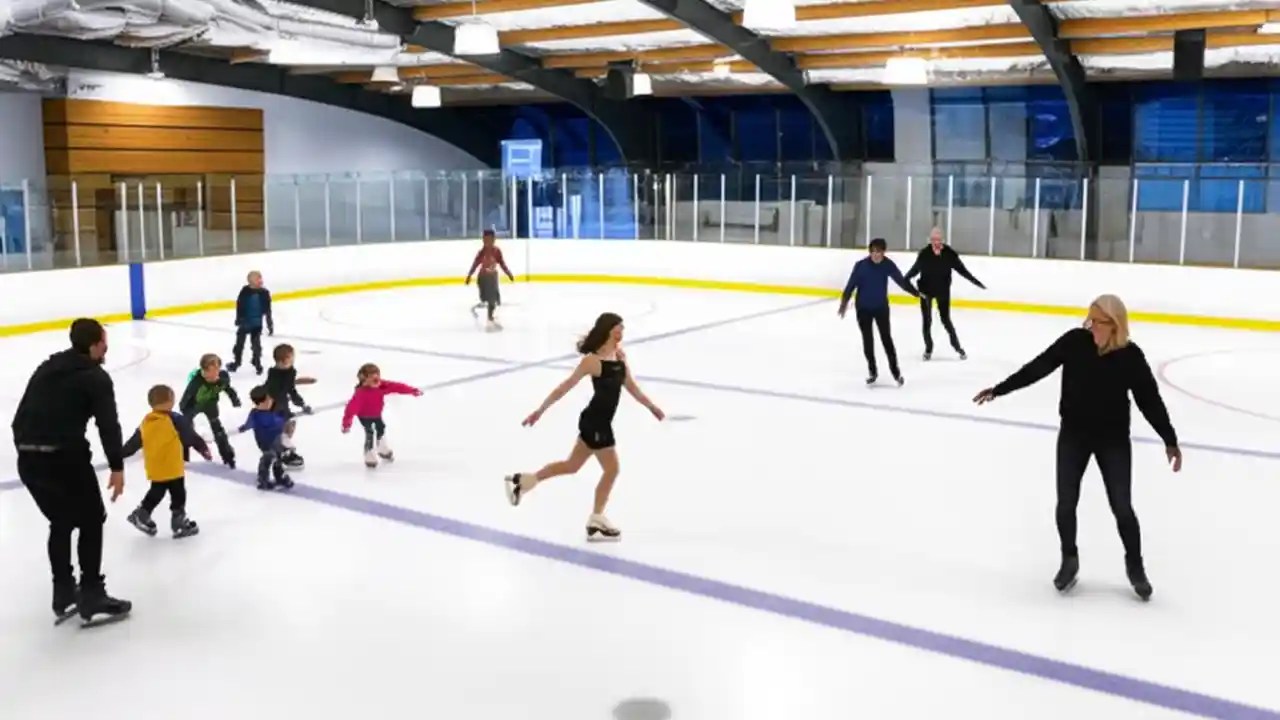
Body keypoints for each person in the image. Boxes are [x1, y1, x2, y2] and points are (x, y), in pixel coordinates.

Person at [972, 294, 1182, 601]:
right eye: (1089, 320)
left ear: (1114, 325)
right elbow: (1039, 366)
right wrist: (1000, 389)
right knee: (1066, 502)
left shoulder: (1130, 356)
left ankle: (1135, 567)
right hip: (1074, 435)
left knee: (1122, 506)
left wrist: (1169, 438)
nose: (1090, 326)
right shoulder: (1075, 342)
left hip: (1113, 440)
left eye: (1096, 322)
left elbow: (1149, 399)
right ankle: (1069, 559)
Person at [11, 318, 132, 626]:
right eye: (104, 342)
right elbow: (108, 426)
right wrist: (117, 466)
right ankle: (91, 592)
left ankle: (63, 592)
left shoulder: (48, 367)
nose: (107, 348)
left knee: (61, 521)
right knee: (92, 519)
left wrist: (27, 448)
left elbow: (20, 417)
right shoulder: (95, 377)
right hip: (65, 459)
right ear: (94, 346)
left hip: (28, 459)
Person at [505, 313, 665, 541]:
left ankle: (524, 481)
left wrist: (652, 407)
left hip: (598, 421)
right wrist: (540, 411)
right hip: (596, 422)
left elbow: (632, 387)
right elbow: (564, 387)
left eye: (622, 328)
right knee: (612, 469)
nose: (622, 332)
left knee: (571, 466)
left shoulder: (619, 358)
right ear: (609, 329)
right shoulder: (592, 361)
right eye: (619, 328)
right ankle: (597, 519)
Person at [122, 384, 211, 539]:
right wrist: (202, 448)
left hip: (156, 467)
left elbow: (134, 442)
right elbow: (189, 435)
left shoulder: (147, 421)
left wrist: (120, 453)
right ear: (170, 401)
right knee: (178, 493)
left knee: (157, 491)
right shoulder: (175, 419)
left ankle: (142, 513)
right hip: (172, 466)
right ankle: (178, 522)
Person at [838, 237, 921, 386]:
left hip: (881, 308)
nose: (876, 255)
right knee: (868, 340)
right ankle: (872, 372)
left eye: (879, 252)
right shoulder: (861, 266)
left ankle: (896, 373)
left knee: (886, 339)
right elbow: (850, 285)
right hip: (863, 309)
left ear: (884, 252)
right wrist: (844, 303)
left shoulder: (888, 265)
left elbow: (901, 282)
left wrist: (916, 293)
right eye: (873, 252)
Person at [904, 227, 985, 360]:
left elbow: (962, 271)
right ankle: (928, 349)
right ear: (930, 240)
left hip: (943, 291)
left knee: (946, 320)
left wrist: (977, 283)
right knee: (927, 321)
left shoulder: (949, 254)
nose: (936, 242)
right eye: (933, 240)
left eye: (939, 240)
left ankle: (958, 348)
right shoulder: (924, 254)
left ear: (943, 240)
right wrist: (916, 293)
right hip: (926, 292)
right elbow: (909, 276)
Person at [340, 363, 422, 468]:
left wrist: (412, 391)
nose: (377, 379)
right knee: (370, 432)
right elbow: (350, 410)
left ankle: (382, 448)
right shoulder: (360, 394)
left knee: (381, 428)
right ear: (364, 379)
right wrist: (346, 424)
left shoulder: (382, 386)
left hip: (376, 414)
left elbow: (397, 387)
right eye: (372, 377)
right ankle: (369, 454)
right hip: (364, 416)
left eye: (377, 375)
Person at [180, 353, 242, 468]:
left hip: (210, 405)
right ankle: (184, 456)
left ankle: (228, 456)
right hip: (194, 406)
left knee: (218, 430)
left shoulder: (222, 379)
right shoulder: (196, 383)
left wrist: (235, 400)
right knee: (186, 429)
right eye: (210, 372)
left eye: (216, 371)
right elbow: (186, 397)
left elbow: (229, 389)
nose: (213, 375)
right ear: (204, 371)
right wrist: (185, 412)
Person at [263, 343, 315, 470]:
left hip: (282, 404)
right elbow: (270, 390)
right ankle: (282, 452)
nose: (292, 360)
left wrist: (302, 404)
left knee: (289, 425)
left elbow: (291, 390)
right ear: (281, 361)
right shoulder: (274, 374)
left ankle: (283, 449)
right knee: (281, 428)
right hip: (274, 405)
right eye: (290, 358)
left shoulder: (290, 372)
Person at [239, 387, 297, 491]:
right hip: (265, 442)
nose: (271, 401)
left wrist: (287, 421)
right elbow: (250, 423)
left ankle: (280, 477)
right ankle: (263, 479)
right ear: (260, 403)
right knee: (267, 458)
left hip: (277, 441)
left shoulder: (272, 412)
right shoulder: (257, 415)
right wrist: (244, 427)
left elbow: (281, 422)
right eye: (268, 400)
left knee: (278, 459)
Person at [465, 229, 516, 331]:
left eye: (489, 239)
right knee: (485, 298)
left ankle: (490, 316)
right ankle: (490, 305)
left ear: (493, 240)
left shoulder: (497, 251)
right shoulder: (481, 253)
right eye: (485, 239)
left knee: (492, 299)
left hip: (492, 278)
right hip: (483, 279)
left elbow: (502, 263)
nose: (487, 242)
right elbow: (475, 264)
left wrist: (509, 273)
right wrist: (469, 276)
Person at [228, 270, 274, 374]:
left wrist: (270, 324)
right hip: (245, 323)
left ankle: (257, 363)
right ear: (251, 281)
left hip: (256, 324)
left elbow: (268, 310)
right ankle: (237, 362)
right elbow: (239, 305)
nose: (261, 281)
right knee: (239, 344)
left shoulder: (264, 293)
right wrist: (238, 318)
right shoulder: (245, 291)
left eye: (260, 278)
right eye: (258, 278)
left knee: (256, 345)